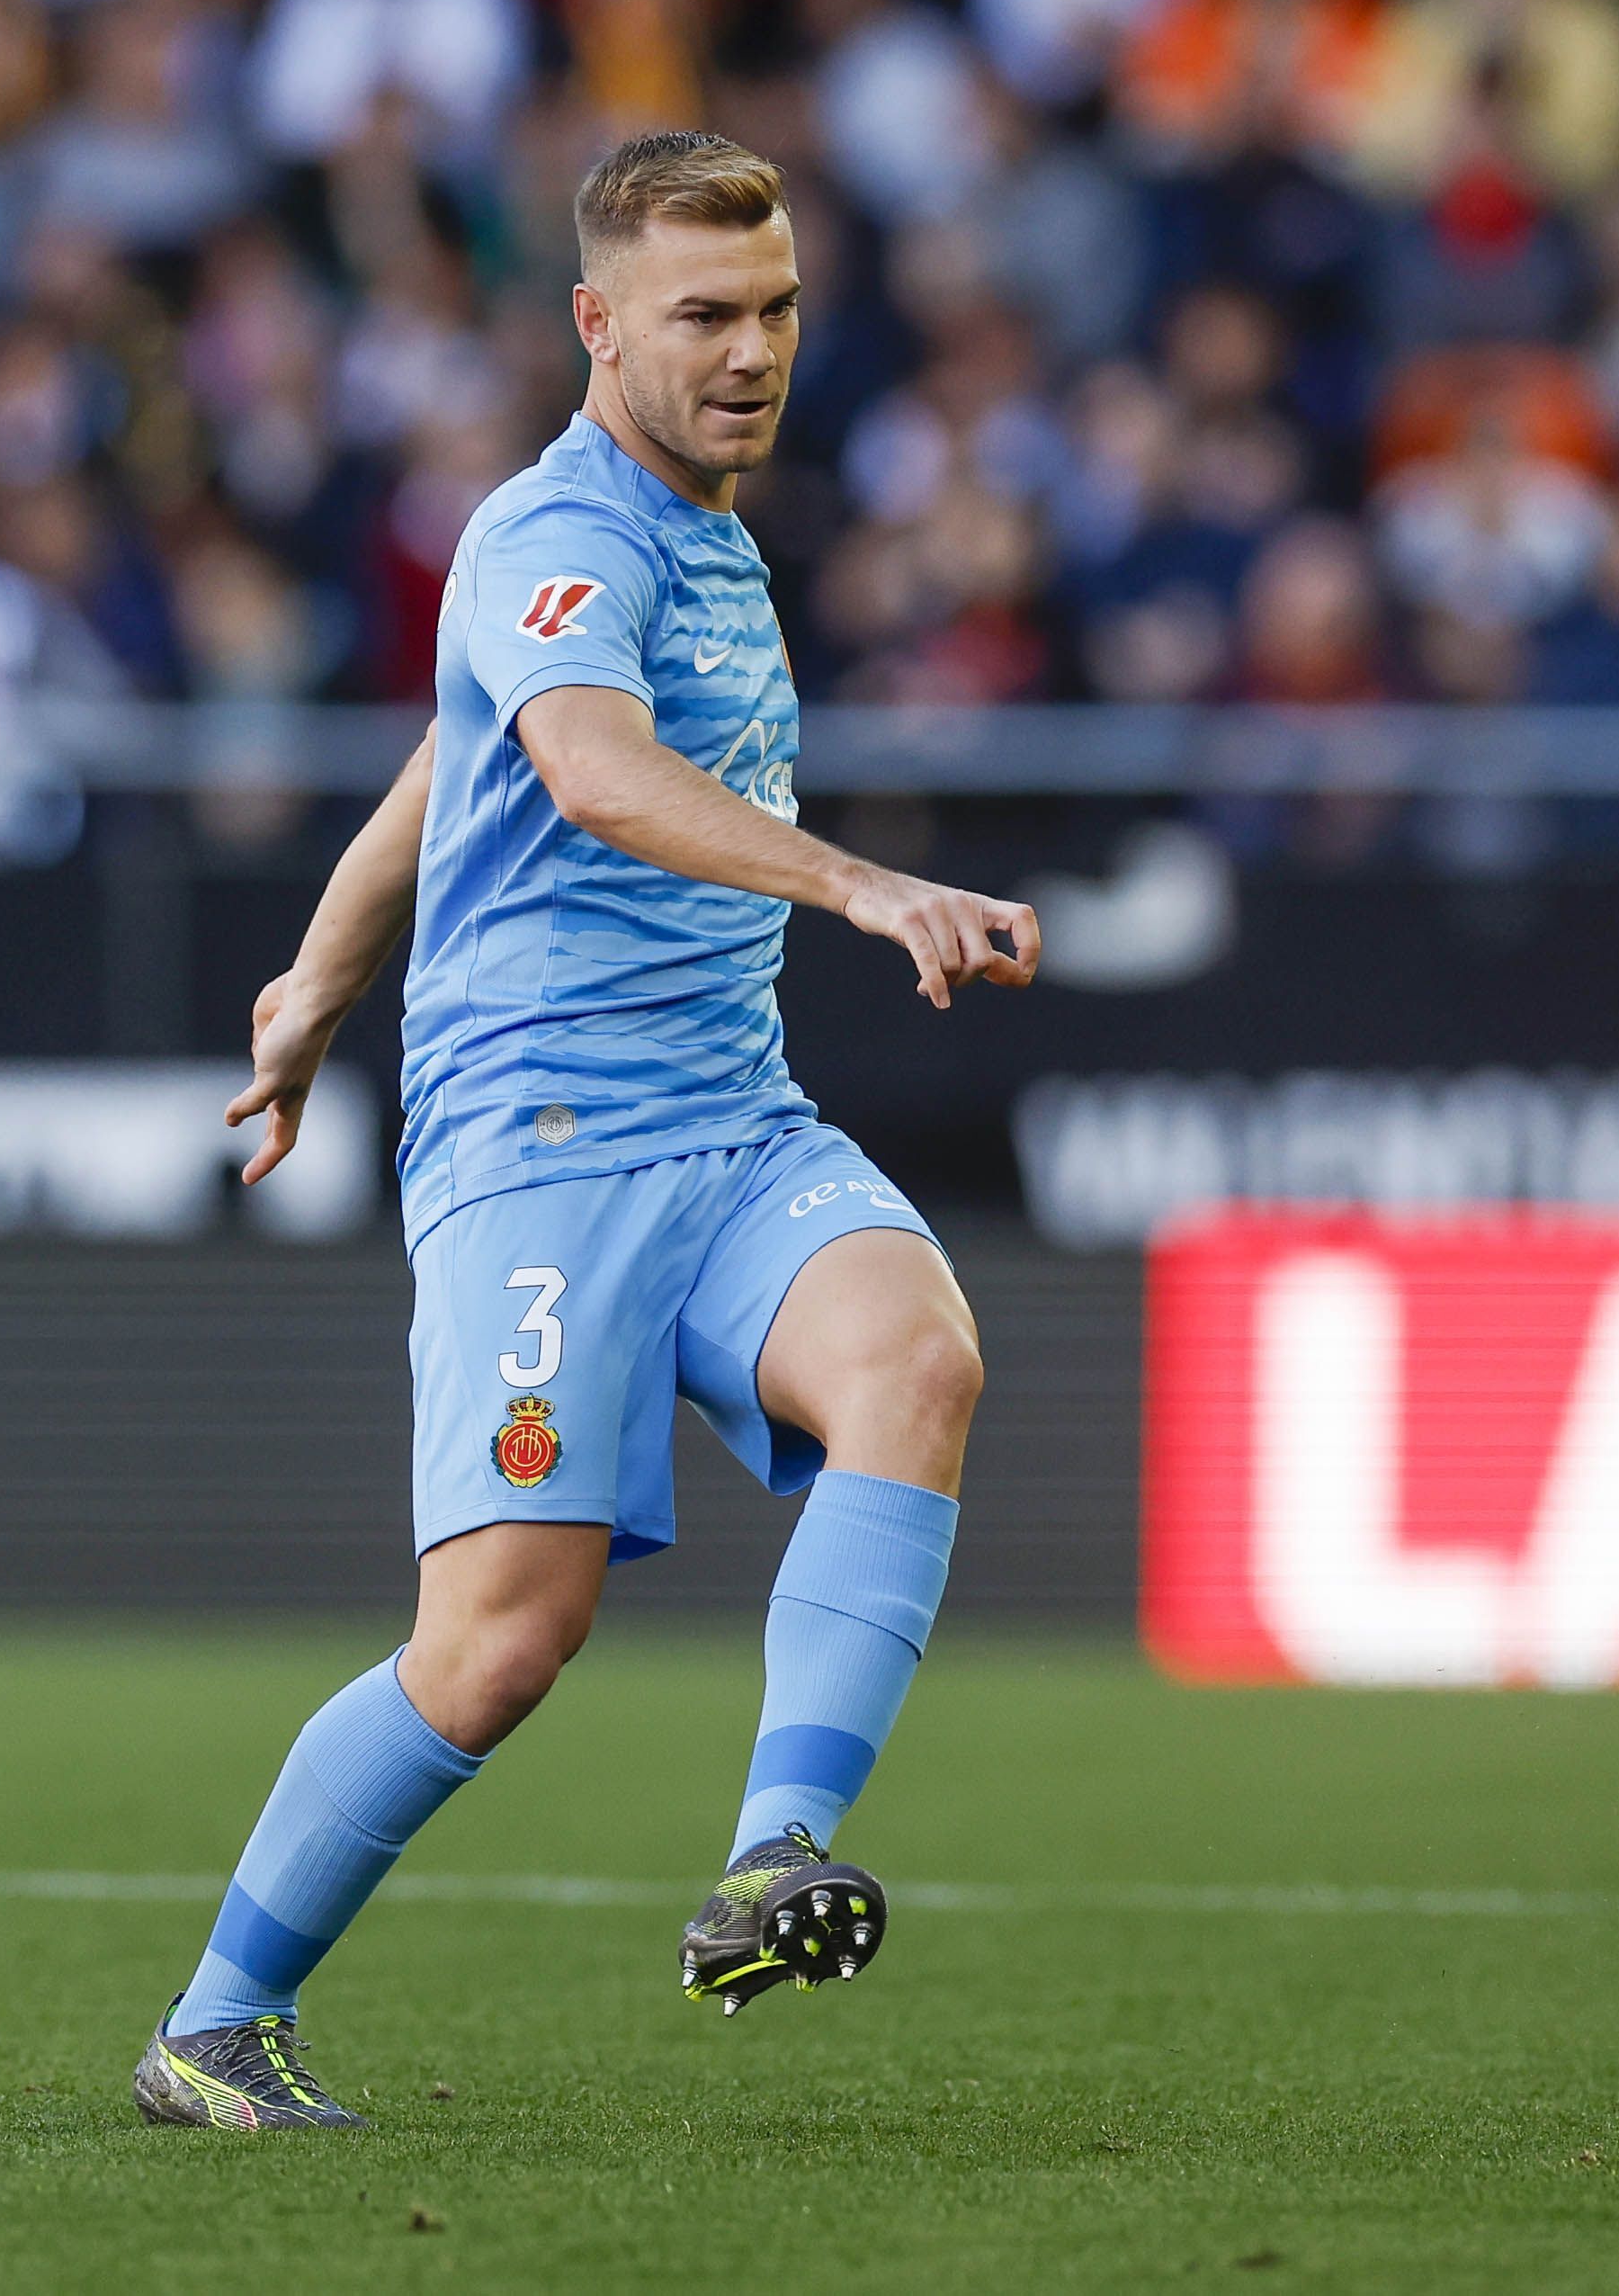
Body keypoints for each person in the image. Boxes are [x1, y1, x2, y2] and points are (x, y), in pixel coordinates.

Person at [131, 132, 1042, 2132]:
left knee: (918, 1356)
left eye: (779, 309)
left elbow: (450, 752)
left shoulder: (703, 542)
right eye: (706, 314)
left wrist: (310, 982)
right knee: (497, 1648)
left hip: (730, 1121)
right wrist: (861, 885)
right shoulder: (564, 526)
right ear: (598, 322)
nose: (751, 353)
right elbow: (585, 764)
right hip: (540, 1142)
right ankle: (213, 2023)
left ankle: (773, 1856)